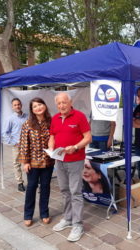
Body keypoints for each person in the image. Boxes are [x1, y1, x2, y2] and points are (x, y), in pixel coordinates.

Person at [49, 92, 92, 242]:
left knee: (75, 192)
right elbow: (52, 136)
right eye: (59, 103)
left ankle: (78, 224)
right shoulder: (55, 118)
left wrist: (75, 146)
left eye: (64, 102)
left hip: (75, 160)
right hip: (59, 160)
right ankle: (67, 218)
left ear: (70, 102)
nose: (61, 105)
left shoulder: (79, 116)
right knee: (64, 190)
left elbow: (88, 137)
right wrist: (51, 149)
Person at [18, 97, 55, 227]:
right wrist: (25, 162)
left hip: (48, 161)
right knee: (31, 187)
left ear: (44, 106)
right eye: (35, 106)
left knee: (45, 187)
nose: (38, 107)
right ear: (32, 110)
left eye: (40, 104)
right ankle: (28, 215)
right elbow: (23, 144)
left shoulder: (52, 122)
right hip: (33, 163)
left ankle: (44, 213)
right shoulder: (27, 124)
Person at [2, 98, 28, 192]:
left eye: (18, 104)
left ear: (21, 105)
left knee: (29, 162)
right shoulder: (10, 119)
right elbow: (5, 133)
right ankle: (20, 183)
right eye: (15, 105)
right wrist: (13, 142)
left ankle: (32, 180)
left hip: (28, 145)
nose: (17, 106)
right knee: (17, 164)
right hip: (17, 145)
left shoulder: (27, 117)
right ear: (12, 107)